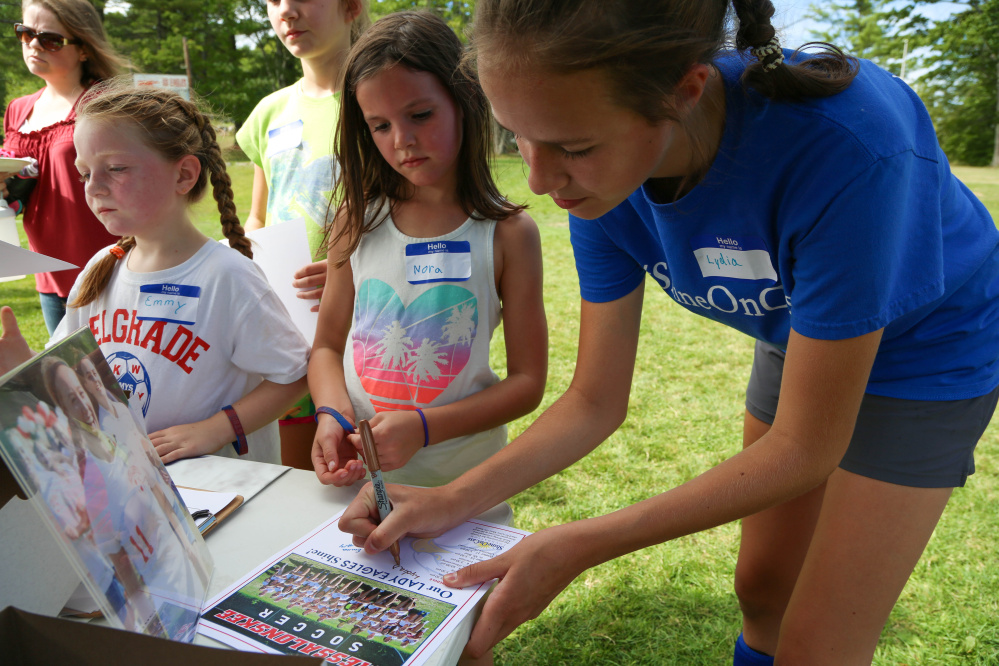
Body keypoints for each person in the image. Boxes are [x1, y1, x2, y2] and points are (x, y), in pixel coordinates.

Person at [337, 1, 999, 664]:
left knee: (819, 642)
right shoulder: (597, 177)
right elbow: (595, 400)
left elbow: (805, 446)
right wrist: (452, 501)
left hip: (930, 347)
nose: (539, 181)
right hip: (800, 333)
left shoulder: (846, 146)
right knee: (762, 587)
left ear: (685, 91)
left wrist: (576, 543)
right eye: (518, 138)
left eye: (572, 147)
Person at [0, 81, 311, 465]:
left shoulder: (227, 276)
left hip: (222, 495)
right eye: (84, 173)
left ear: (183, 175)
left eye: (115, 169)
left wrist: (217, 428)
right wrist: (24, 364)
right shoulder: (100, 270)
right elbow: (70, 374)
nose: (94, 188)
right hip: (136, 491)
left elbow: (295, 374)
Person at [308, 11, 547, 497]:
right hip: (355, 486)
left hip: (460, 491)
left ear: (464, 101)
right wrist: (332, 413)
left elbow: (527, 382)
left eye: (420, 115)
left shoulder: (508, 234)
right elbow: (327, 347)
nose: (402, 141)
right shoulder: (355, 222)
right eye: (379, 125)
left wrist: (424, 427)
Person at [236, 0, 369, 469]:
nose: (286, 11)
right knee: (297, 477)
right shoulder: (269, 112)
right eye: (273, 1)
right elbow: (256, 217)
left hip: (361, 328)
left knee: (359, 469)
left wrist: (344, 269)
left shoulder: (378, 103)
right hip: (288, 328)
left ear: (351, 6)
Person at [1, 0, 127, 334]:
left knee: (122, 380)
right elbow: (24, 191)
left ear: (84, 49)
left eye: (50, 39)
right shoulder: (17, 109)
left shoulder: (104, 104)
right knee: (71, 380)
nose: (33, 45)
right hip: (48, 275)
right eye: (25, 33)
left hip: (108, 269)